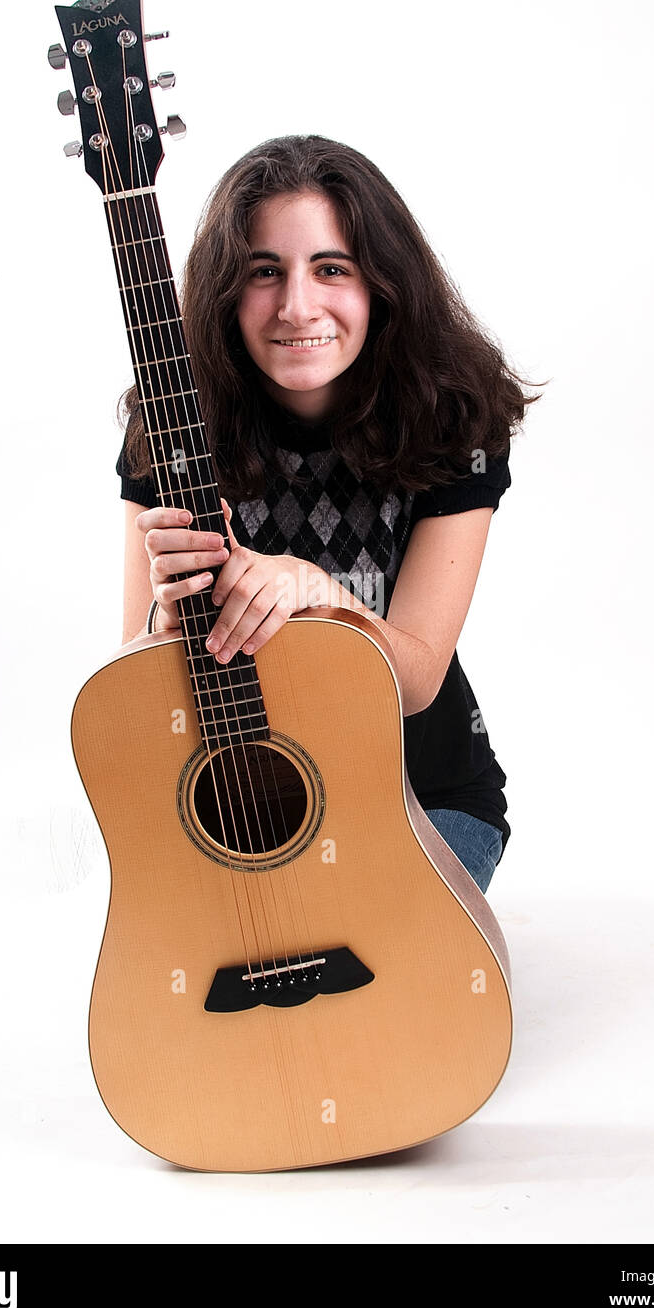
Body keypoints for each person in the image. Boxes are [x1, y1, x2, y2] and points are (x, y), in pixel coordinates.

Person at [116, 135, 540, 895]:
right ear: (225, 291)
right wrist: (165, 617)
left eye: (332, 269)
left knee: (379, 994)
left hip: (419, 799)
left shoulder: (453, 425)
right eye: (264, 273)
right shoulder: (172, 424)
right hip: (241, 816)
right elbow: (131, 679)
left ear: (382, 284)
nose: (296, 306)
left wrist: (318, 591)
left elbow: (416, 681)